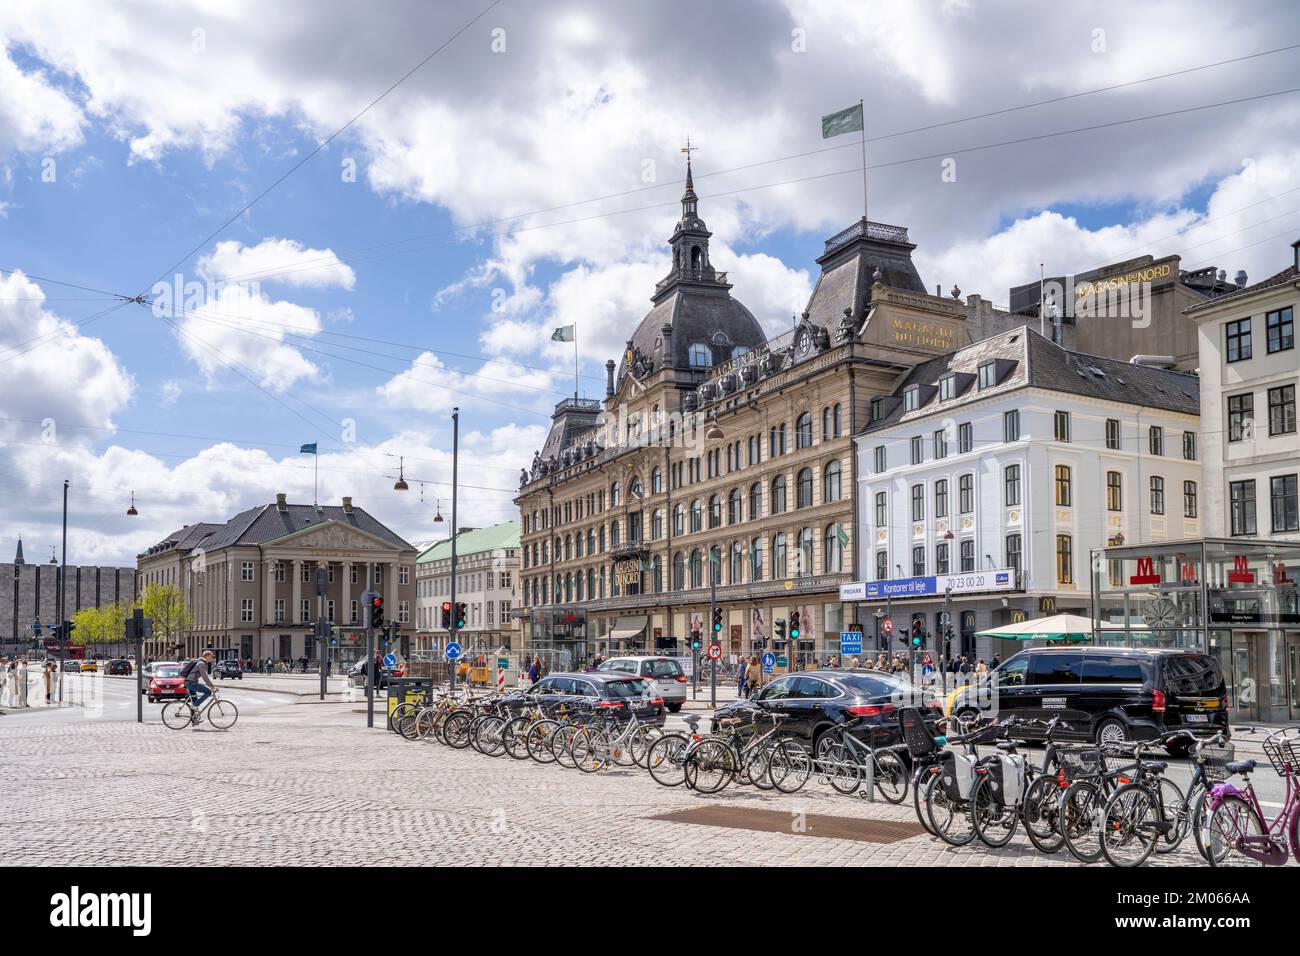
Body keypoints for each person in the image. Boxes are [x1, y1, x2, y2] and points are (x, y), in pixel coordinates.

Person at [183, 651, 217, 721]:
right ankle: (195, 706)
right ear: (207, 656)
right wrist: (212, 687)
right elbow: (205, 677)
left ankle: (194, 719)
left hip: (189, 682)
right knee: (208, 692)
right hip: (191, 683)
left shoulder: (200, 662)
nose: (212, 659)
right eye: (211, 657)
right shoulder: (201, 663)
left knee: (194, 701)